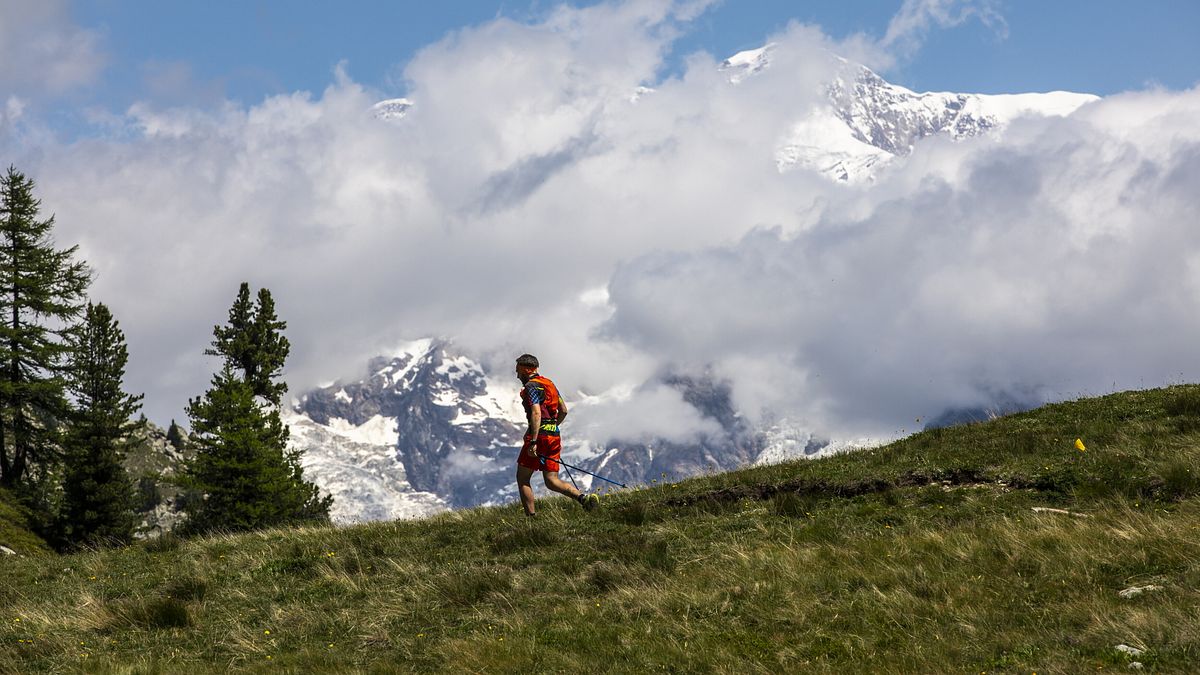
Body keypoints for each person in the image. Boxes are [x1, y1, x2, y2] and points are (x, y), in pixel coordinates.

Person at [514, 353, 599, 516]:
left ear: (526, 369)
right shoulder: (550, 384)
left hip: (539, 437)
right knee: (551, 480)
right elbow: (564, 410)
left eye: (518, 371)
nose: (517, 375)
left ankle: (531, 519)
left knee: (522, 478)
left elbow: (536, 412)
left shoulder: (531, 386)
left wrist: (534, 440)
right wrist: (552, 427)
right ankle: (584, 499)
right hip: (554, 435)